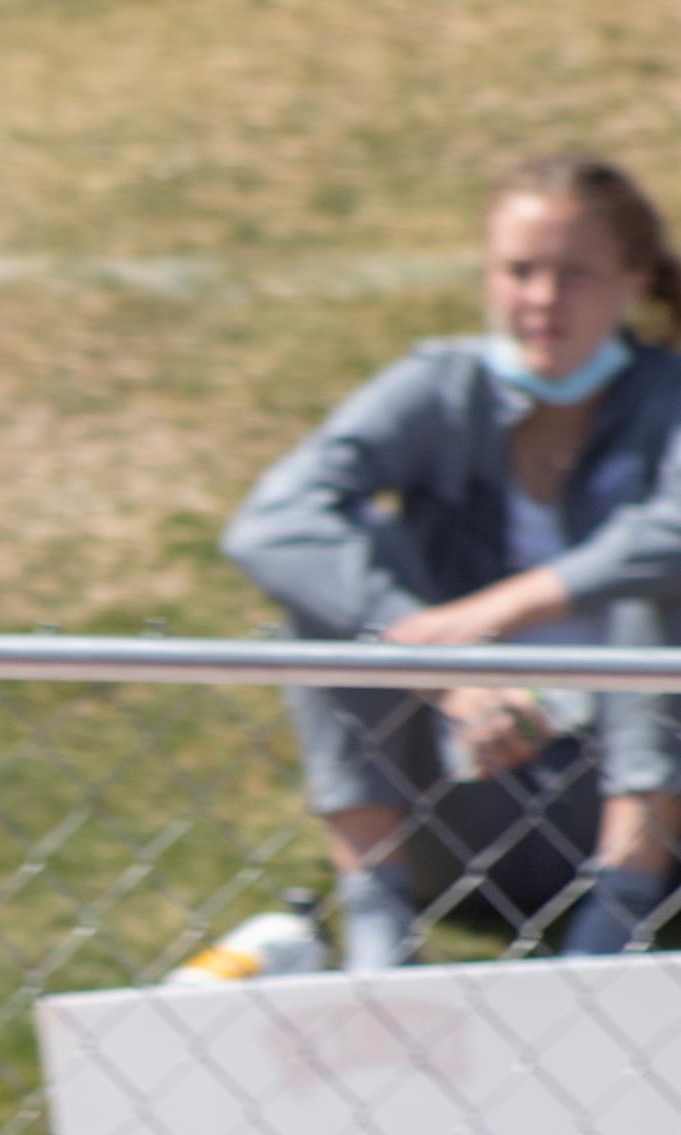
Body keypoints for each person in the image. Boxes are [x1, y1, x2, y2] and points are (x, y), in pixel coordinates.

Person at [225, 153, 681, 971]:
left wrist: (494, 614)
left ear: (633, 280)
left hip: (650, 811)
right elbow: (272, 522)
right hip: (469, 786)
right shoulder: (440, 387)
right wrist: (447, 669)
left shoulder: (668, 396)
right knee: (339, 572)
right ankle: (378, 930)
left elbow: (671, 532)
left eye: (574, 273)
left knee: (656, 584)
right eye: (520, 271)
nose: (542, 301)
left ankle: (616, 925)